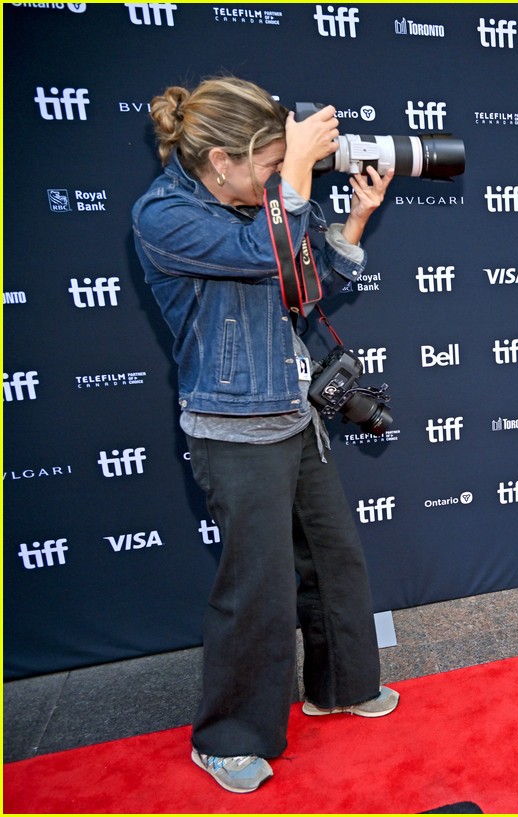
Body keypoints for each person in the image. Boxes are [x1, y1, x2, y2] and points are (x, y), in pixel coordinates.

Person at [132, 76, 398, 794]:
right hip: (232, 427)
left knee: (334, 558)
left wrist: (354, 224)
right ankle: (227, 737)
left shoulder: (260, 206)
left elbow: (303, 284)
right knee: (259, 588)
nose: (276, 178)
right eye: (268, 165)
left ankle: (338, 686)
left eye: (284, 163)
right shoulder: (165, 216)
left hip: (293, 412)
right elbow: (262, 254)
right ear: (220, 161)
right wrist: (299, 175)